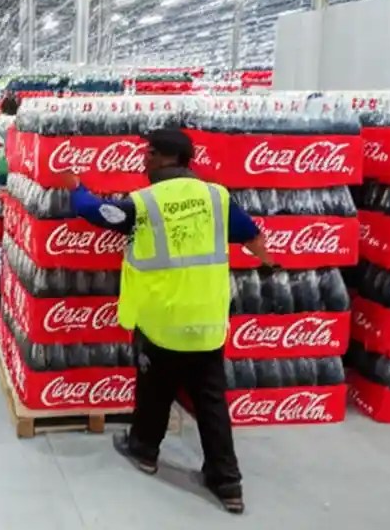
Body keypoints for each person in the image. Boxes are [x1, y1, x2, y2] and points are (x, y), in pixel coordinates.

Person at [63, 128, 276, 515]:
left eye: (147, 153)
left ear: (161, 157)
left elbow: (97, 212)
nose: (143, 160)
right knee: (211, 399)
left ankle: (144, 450)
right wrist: (269, 266)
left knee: (155, 389)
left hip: (162, 319)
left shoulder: (144, 202)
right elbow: (254, 239)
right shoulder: (216, 196)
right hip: (209, 319)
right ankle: (227, 483)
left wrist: (76, 187)